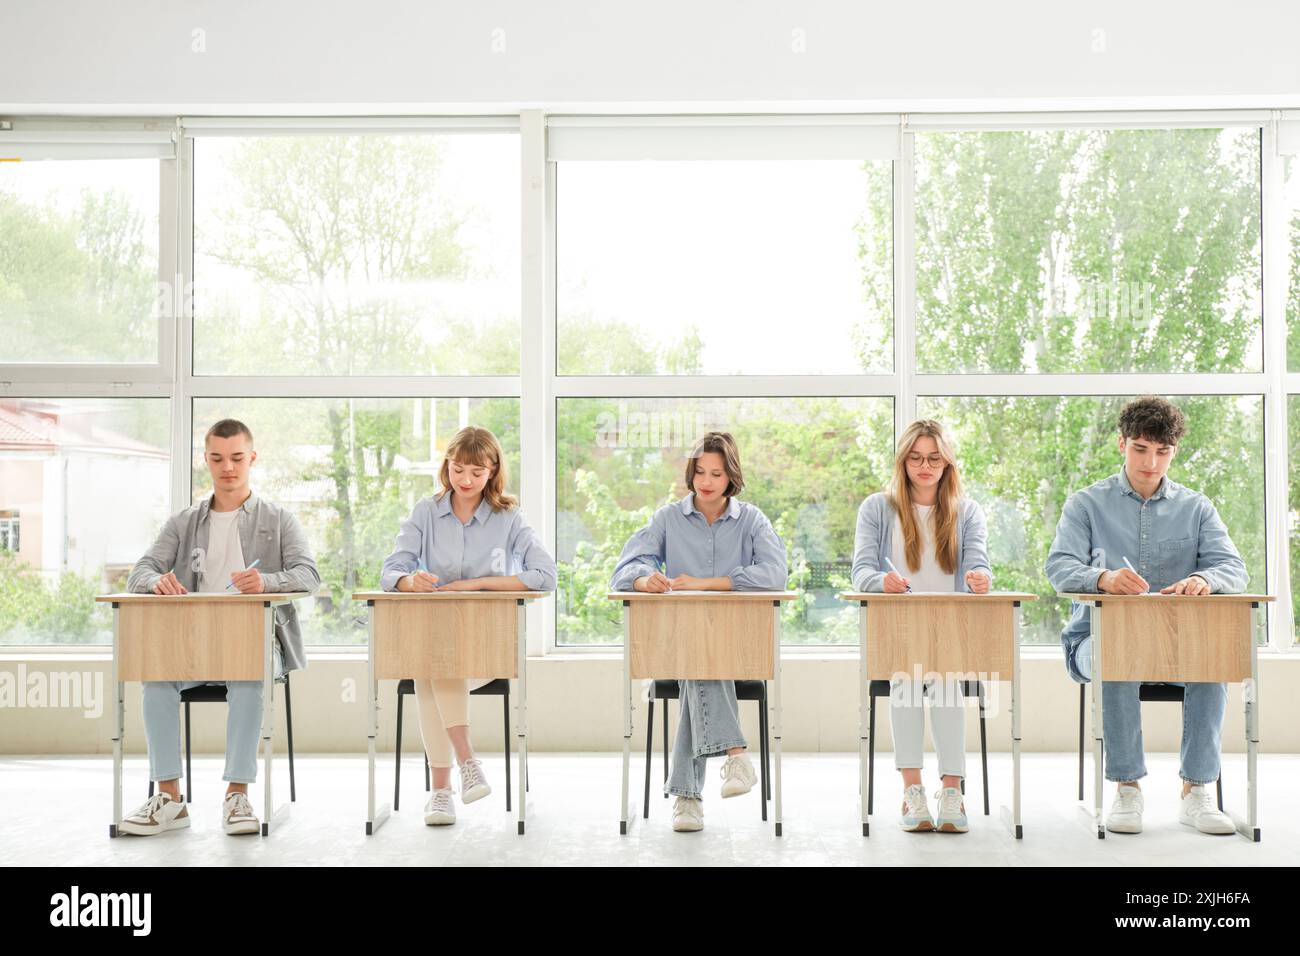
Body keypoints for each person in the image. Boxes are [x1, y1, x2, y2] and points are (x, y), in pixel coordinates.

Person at [1046, 395, 1248, 836]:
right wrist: (1101, 578)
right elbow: (1058, 566)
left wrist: (1206, 580)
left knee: (1211, 667)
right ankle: (1127, 788)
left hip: (1177, 645)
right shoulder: (1085, 504)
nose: (1151, 462)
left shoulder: (1197, 508)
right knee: (1118, 657)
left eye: (1162, 452)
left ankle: (1196, 792)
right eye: (1141, 449)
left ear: (1173, 451)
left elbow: (1234, 568)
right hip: (1094, 642)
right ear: (1122, 444)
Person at [121, 418, 320, 836]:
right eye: (217, 459)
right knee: (155, 677)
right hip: (193, 640)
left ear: (252, 458)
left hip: (254, 639)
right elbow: (139, 570)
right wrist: (156, 580)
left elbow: (309, 575)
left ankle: (237, 793)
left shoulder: (279, 519)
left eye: (236, 458)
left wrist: (267, 582)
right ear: (206, 461)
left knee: (249, 676)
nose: (227, 467)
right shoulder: (183, 522)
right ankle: (170, 797)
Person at [610, 431, 788, 833]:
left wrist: (711, 582)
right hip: (677, 648)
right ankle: (736, 755)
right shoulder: (668, 519)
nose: (706, 482)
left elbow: (776, 573)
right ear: (690, 473)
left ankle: (687, 798)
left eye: (717, 474)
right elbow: (623, 570)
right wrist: (643, 581)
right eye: (700, 472)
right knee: (695, 655)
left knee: (702, 658)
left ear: (731, 478)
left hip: (739, 652)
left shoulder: (752, 520)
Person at [380, 426, 556, 826]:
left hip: (488, 645)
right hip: (434, 641)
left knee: (435, 665)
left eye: (476, 472)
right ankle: (464, 767)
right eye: (458, 469)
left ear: (493, 471)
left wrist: (477, 583)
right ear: (447, 466)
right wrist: (409, 581)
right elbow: (391, 570)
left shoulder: (508, 517)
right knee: (434, 664)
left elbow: (545, 574)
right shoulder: (427, 511)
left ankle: (442, 789)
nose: (465, 480)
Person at [851, 419, 991, 833]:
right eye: (915, 458)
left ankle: (952, 792)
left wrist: (980, 578)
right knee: (907, 679)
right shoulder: (878, 507)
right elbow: (860, 572)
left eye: (933, 458)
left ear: (947, 463)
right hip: (898, 630)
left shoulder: (966, 511)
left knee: (945, 680)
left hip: (950, 631)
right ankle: (912, 791)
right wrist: (881, 581)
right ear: (903, 462)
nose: (924, 466)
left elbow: (979, 563)